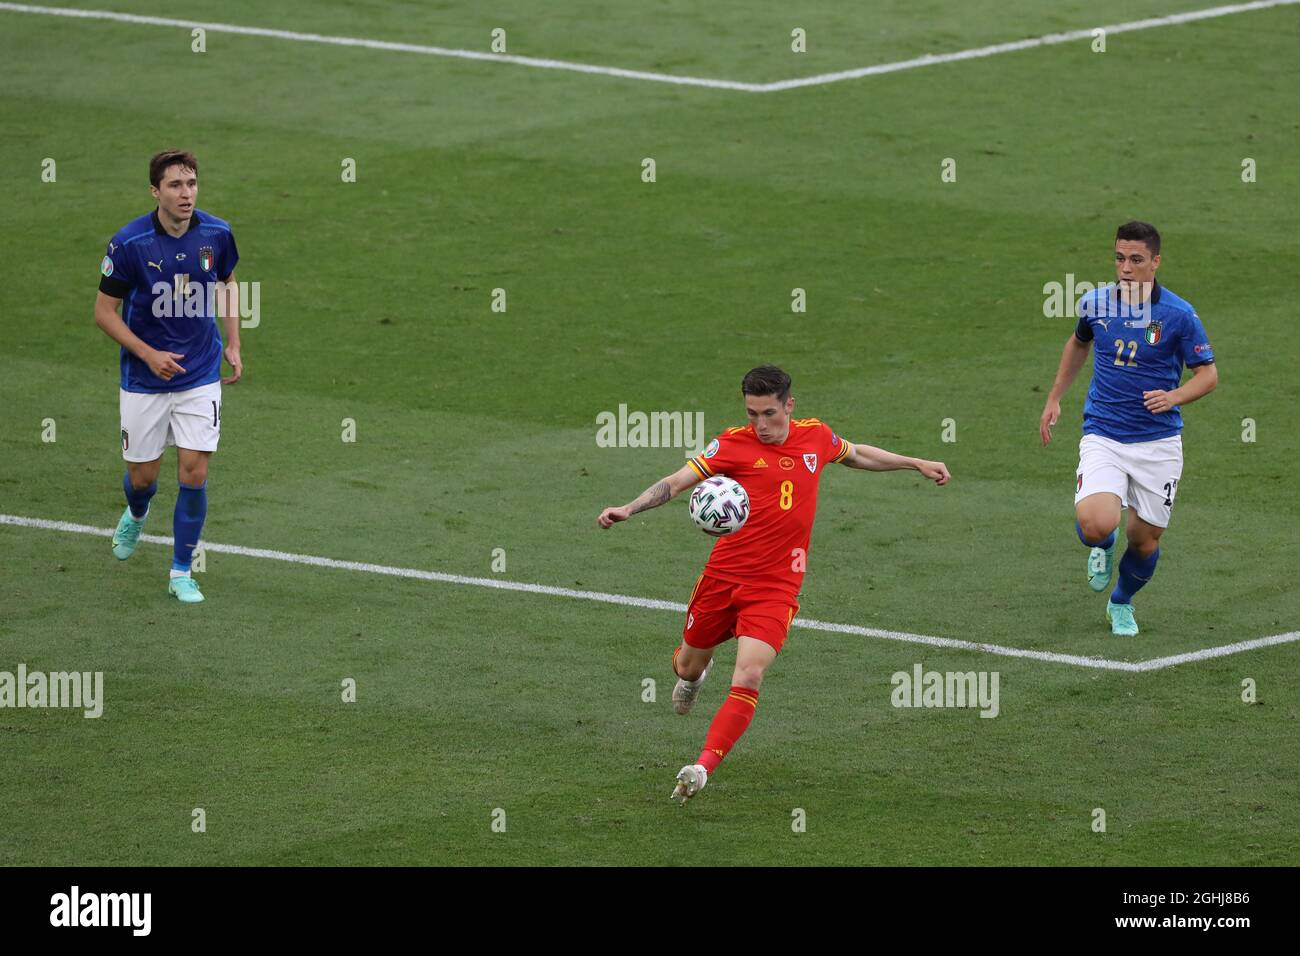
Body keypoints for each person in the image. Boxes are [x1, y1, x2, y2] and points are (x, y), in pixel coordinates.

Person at [598, 366, 950, 803]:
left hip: (776, 587)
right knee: (687, 666)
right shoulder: (731, 444)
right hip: (723, 579)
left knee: (750, 672)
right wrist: (629, 508)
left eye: (768, 413)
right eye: (752, 414)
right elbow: (675, 482)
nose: (760, 425)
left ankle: (702, 766)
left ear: (789, 406)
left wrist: (914, 462)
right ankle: (696, 674)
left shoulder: (816, 436)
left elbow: (856, 454)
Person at [1039, 221, 1217, 636]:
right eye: (1120, 258)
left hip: (1158, 443)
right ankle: (1101, 546)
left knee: (1144, 539)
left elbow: (1207, 374)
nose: (1126, 268)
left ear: (1156, 262)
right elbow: (1078, 343)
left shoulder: (1179, 314)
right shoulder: (1096, 303)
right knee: (1096, 523)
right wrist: (1054, 398)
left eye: (1136, 259)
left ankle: (1121, 602)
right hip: (1103, 432)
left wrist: (1174, 397)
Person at [93, 150, 242, 603]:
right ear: (155, 191)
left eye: (192, 183)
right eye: (176, 185)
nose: (186, 193)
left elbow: (229, 282)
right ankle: (137, 513)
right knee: (143, 477)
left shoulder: (217, 233)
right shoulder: (129, 244)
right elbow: (103, 312)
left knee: (194, 472)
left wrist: (233, 342)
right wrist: (148, 353)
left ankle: (181, 572)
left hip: (199, 373)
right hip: (144, 379)